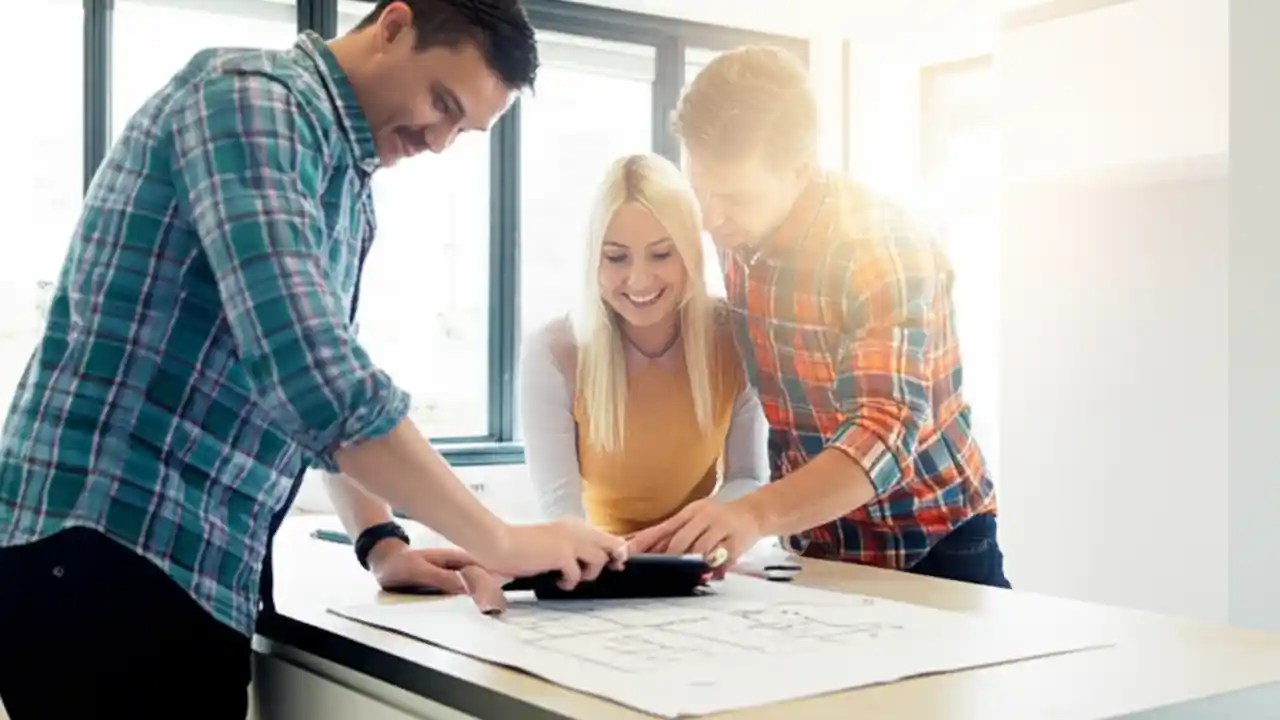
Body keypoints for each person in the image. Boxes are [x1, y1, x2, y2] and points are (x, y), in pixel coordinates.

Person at [0, 2, 625, 718]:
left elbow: (311, 395)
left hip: (175, 569)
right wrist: (502, 540)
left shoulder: (341, 179)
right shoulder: (250, 100)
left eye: (463, 129)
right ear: (393, 26)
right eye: (441, 103)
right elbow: (314, 374)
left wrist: (381, 541)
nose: (439, 140)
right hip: (109, 554)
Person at [631, 46, 1009, 589]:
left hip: (934, 544)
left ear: (801, 170)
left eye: (733, 198)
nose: (712, 219)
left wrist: (752, 514)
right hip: (820, 548)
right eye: (700, 192)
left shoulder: (879, 245)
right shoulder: (738, 231)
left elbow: (883, 431)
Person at [519, 153, 769, 537]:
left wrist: (687, 536)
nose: (638, 280)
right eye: (616, 257)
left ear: (690, 253)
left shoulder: (735, 338)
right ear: (594, 262)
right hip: (599, 559)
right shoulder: (554, 352)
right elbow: (560, 509)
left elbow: (748, 477)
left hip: (695, 554)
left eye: (661, 254)